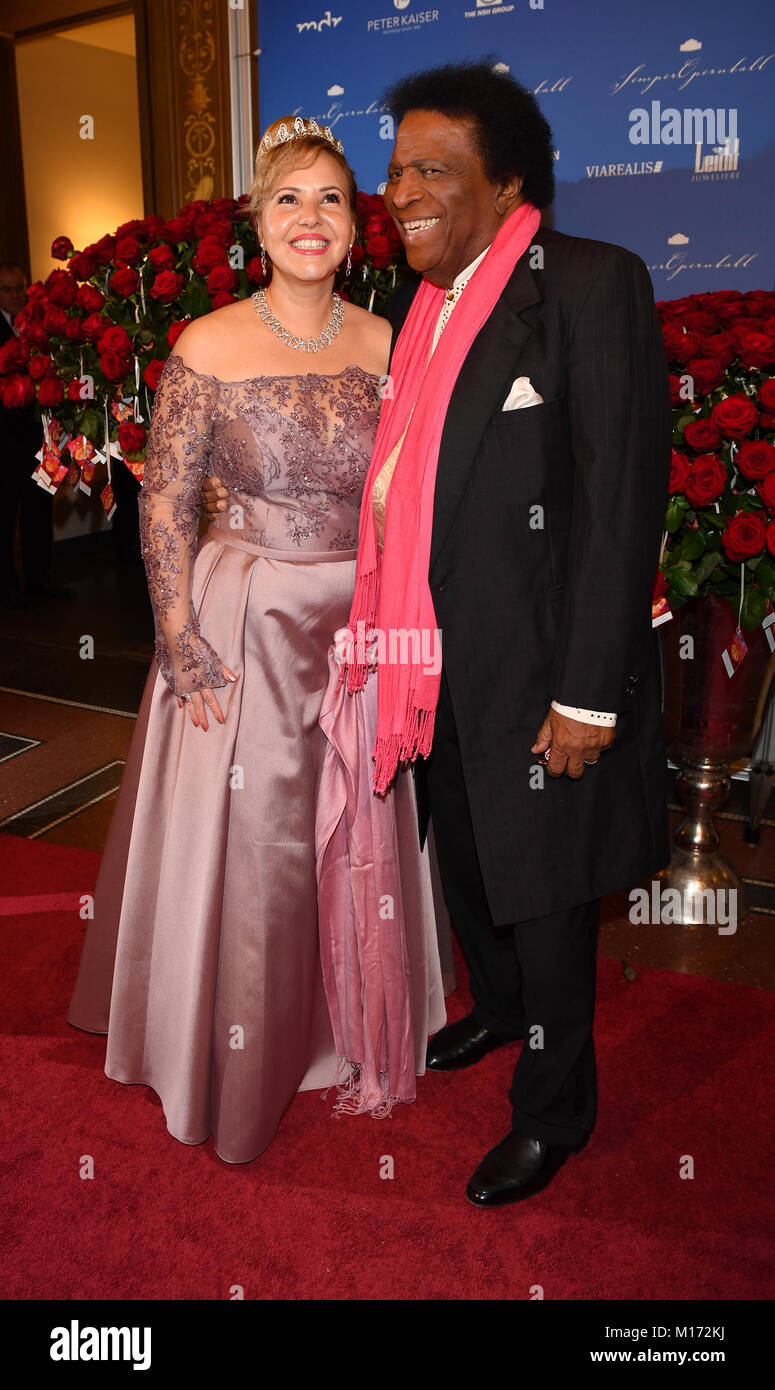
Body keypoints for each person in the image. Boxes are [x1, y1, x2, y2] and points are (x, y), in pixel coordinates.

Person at [68, 118, 445, 1164]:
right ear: (257, 225)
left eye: (329, 199)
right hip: (244, 618)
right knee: (259, 839)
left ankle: (347, 1025)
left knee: (352, 830)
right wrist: (179, 636)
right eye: (288, 200)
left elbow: (409, 503)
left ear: (355, 227)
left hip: (361, 625)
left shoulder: (389, 340)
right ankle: (227, 1042)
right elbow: (165, 505)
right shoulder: (206, 341)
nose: (309, 219)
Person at [343, 62, 671, 1207]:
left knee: (545, 893)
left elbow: (619, 501)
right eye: (394, 174)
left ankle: (553, 1109)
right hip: (431, 666)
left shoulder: (587, 285)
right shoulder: (414, 313)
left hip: (539, 675)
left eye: (433, 169)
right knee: (473, 867)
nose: (402, 192)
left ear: (509, 177)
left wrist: (588, 694)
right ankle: (499, 1010)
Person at [0, 260, 54, 605]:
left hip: (36, 437)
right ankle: (6, 588)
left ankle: (40, 584)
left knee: (39, 510)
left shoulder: (38, 324)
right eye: (7, 289)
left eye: (20, 288)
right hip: (4, 441)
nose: (16, 295)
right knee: (5, 515)